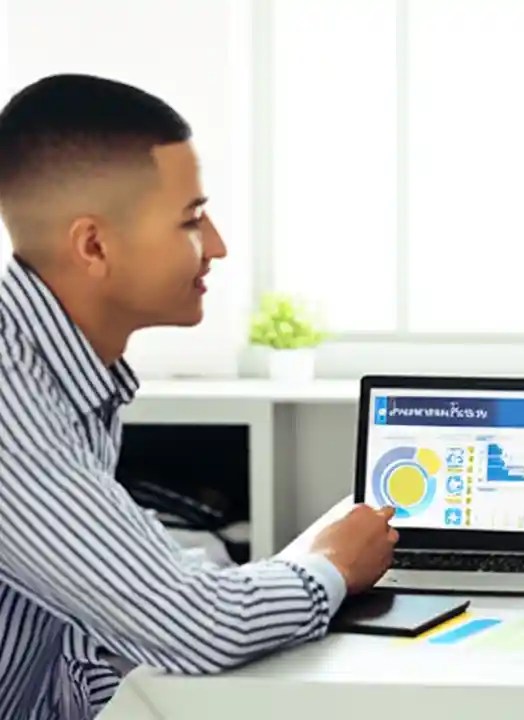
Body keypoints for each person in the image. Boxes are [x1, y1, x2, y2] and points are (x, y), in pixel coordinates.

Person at [0, 75, 397, 719]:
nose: (216, 246)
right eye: (190, 219)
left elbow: (80, 635)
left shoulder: (64, 377)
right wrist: (331, 565)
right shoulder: (10, 395)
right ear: (94, 245)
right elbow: (200, 626)